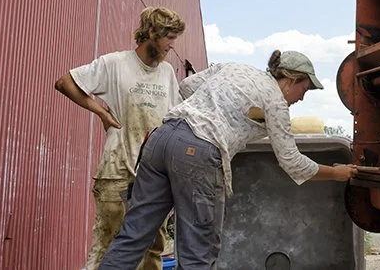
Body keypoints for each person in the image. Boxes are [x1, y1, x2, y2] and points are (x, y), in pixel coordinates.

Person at [98, 49, 358, 269]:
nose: (302, 97)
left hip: (160, 138)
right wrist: (336, 173)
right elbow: (292, 162)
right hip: (197, 153)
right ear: (291, 78)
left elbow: (187, 86)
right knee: (198, 252)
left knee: (133, 237)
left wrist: (217, 114)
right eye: (305, 88)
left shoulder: (235, 69)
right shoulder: (275, 102)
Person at [55, 6, 186, 270]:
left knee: (153, 247)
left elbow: (174, 116)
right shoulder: (114, 63)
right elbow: (65, 82)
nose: (172, 45)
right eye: (169, 37)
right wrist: (99, 111)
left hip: (154, 175)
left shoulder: (167, 73)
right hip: (117, 170)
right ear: (151, 33)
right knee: (109, 244)